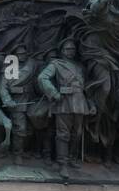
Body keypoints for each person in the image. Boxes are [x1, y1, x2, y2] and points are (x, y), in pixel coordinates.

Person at [38, 38, 90, 170]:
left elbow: (85, 87)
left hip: (79, 103)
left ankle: (72, 158)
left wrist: (91, 104)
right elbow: (42, 78)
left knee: (77, 134)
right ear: (62, 51)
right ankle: (63, 163)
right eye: (68, 49)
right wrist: (54, 93)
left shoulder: (80, 67)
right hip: (64, 103)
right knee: (63, 134)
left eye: (73, 49)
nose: (71, 51)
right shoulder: (56, 64)